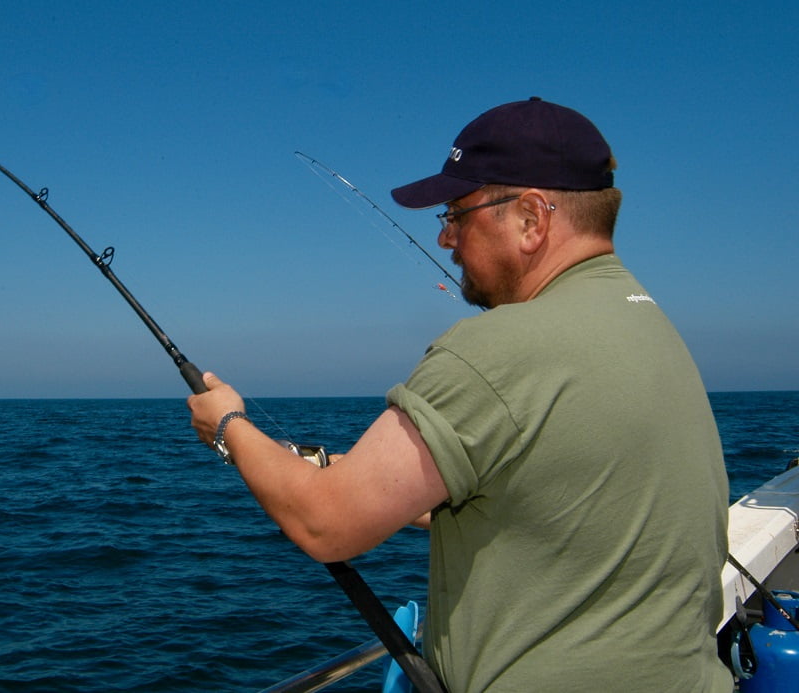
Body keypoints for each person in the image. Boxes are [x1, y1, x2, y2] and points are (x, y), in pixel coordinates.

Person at [187, 97, 730, 692]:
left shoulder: (496, 349)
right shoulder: (652, 328)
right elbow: (553, 497)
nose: (446, 238)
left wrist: (228, 426)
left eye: (456, 212)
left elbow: (325, 524)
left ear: (531, 219)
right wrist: (339, 470)